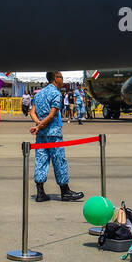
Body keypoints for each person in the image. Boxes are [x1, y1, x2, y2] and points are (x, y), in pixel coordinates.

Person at [30, 71, 84, 202]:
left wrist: (38, 124)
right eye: (61, 78)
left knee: (41, 161)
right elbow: (52, 114)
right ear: (56, 78)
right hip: (53, 134)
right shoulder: (55, 93)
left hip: (41, 135)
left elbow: (32, 112)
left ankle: (40, 192)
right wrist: (41, 125)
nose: (63, 80)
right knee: (59, 161)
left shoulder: (39, 94)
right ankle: (65, 191)